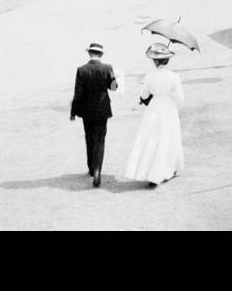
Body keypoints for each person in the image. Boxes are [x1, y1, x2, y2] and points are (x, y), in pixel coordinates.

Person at [125, 42, 185, 187]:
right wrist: (169, 95)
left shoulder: (149, 76)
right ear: (167, 60)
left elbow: (145, 94)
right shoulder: (174, 76)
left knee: (152, 137)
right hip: (168, 107)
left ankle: (151, 172)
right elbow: (180, 97)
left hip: (154, 107)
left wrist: (145, 98)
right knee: (168, 137)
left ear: (154, 61)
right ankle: (167, 169)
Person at [70, 42, 118, 188]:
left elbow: (78, 93)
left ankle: (91, 168)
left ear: (89, 53)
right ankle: (98, 169)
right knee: (100, 140)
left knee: (89, 138)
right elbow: (113, 88)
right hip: (102, 110)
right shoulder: (107, 68)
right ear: (101, 54)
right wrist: (114, 79)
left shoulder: (81, 70)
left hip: (86, 111)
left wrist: (73, 111)